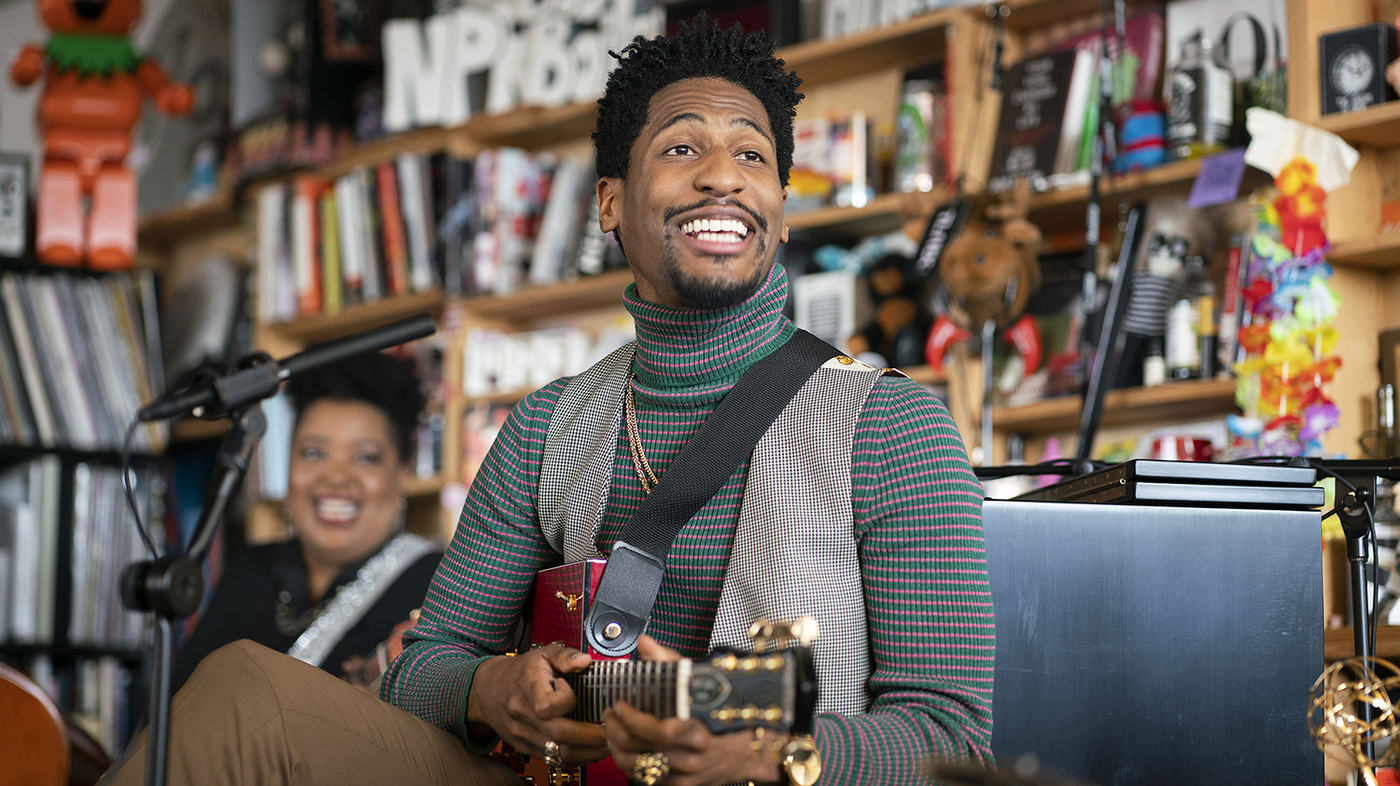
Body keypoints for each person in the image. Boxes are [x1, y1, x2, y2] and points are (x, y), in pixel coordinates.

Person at [103, 19, 992, 786]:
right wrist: (489, 692)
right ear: (610, 203)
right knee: (243, 692)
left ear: (782, 211)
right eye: (683, 147)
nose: (724, 175)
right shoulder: (546, 426)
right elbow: (424, 668)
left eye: (752, 154)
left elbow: (951, 737)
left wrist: (768, 753)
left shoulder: (890, 427)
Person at [168, 351, 441, 693]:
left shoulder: (438, 587)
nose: (336, 478)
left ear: (403, 471)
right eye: (314, 453)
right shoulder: (250, 571)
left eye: (365, 458)